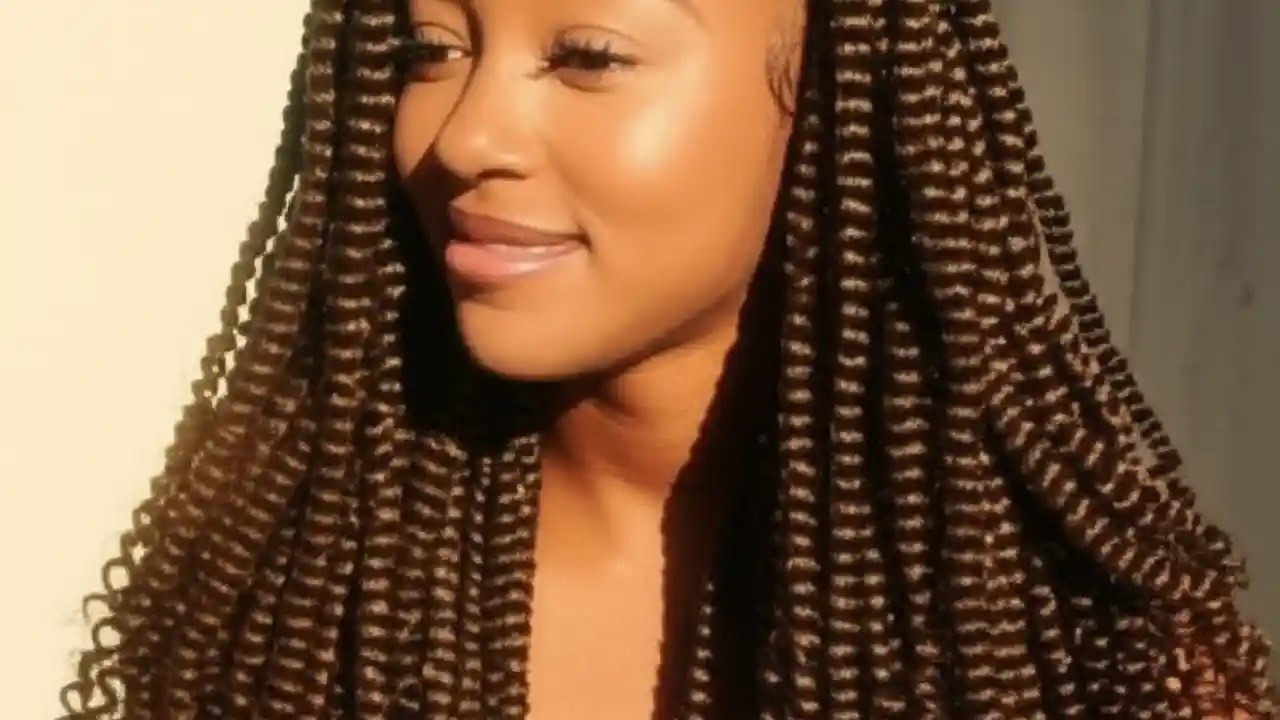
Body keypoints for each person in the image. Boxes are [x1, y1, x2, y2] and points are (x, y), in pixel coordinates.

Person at [59, 0, 1275, 718]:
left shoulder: (1076, 660)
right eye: (428, 48)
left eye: (586, 54)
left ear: (838, 91)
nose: (464, 133)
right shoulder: (286, 561)